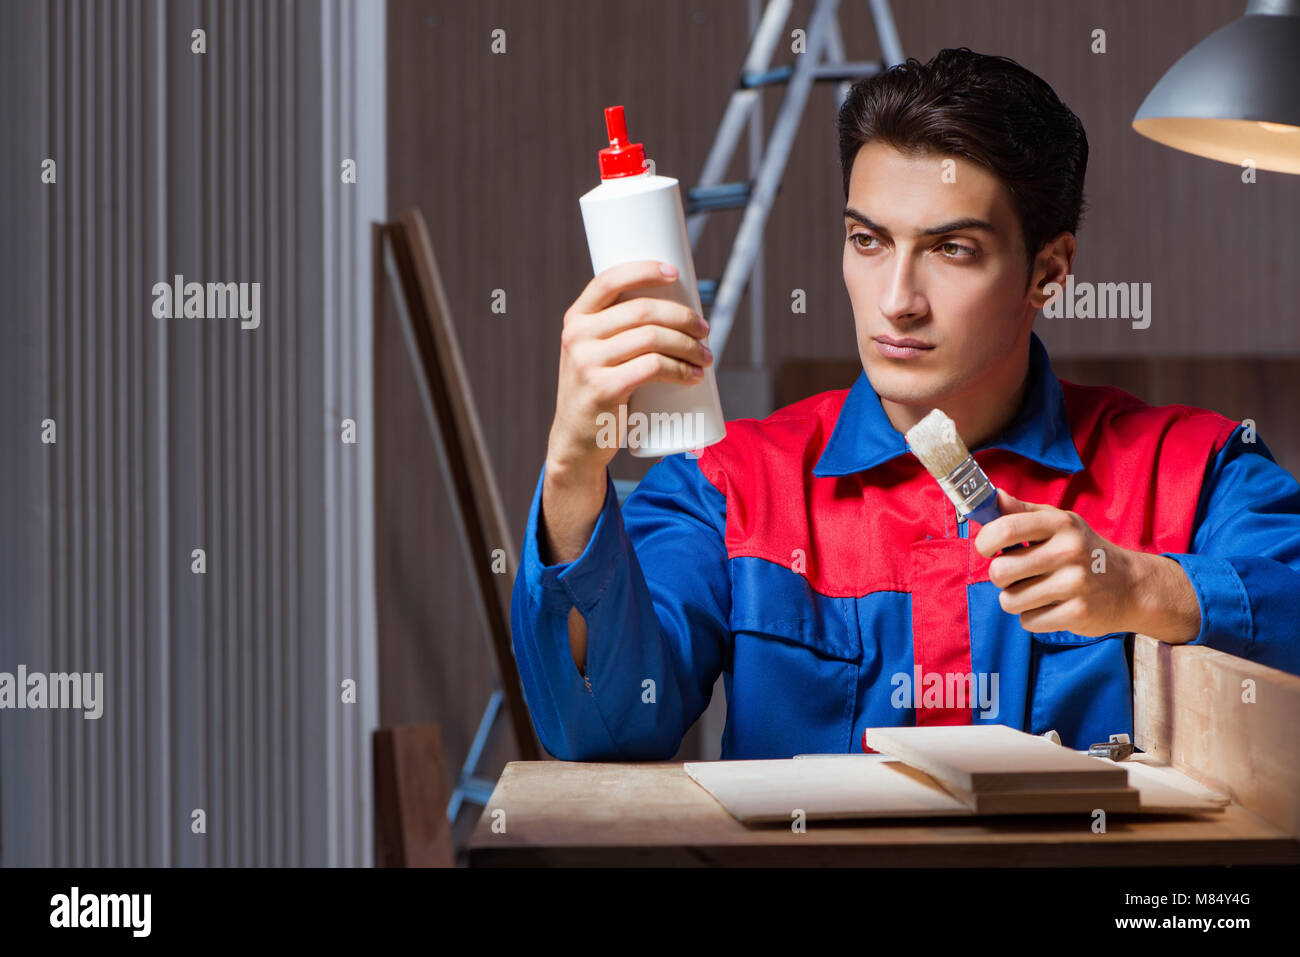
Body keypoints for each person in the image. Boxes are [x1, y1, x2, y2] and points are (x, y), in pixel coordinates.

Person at [510, 47, 1300, 761]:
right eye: (868, 240)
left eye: (952, 250)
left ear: (1050, 272)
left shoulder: (1194, 469)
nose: (896, 300)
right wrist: (574, 462)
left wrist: (1144, 588)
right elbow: (602, 727)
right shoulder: (730, 485)